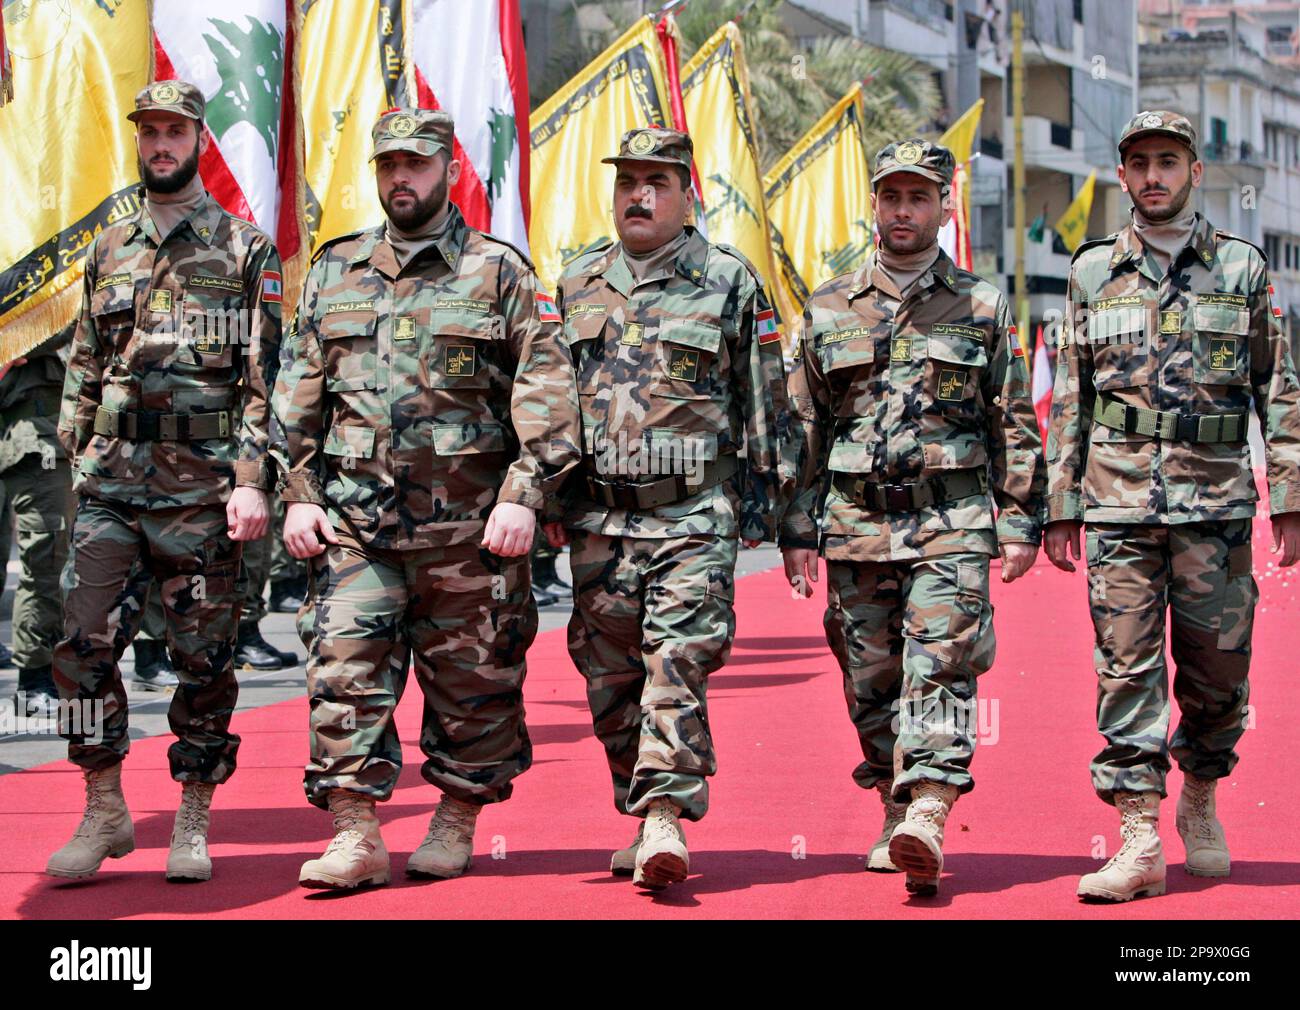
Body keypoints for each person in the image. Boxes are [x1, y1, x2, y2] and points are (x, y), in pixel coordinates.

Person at [273, 108, 581, 890]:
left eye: (414, 164)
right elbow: (296, 400)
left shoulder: (498, 272)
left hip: (468, 533)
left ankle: (454, 818)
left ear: (447, 167)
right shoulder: (334, 272)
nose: (399, 179)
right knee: (342, 673)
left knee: (474, 690)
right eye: (387, 167)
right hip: (356, 529)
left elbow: (548, 397)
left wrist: (523, 494)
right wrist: (299, 495)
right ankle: (355, 831)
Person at [1045, 111, 1300, 902]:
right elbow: (1069, 399)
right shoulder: (1091, 273)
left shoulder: (1243, 270)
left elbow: (1278, 390)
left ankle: (1201, 793)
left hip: (1216, 503)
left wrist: (1289, 496)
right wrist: (1059, 505)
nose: (1153, 175)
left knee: (1219, 673)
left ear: (1193, 170)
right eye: (1139, 163)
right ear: (1122, 175)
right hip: (1118, 504)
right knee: (1125, 667)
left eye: (1168, 161)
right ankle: (1139, 834)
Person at [781, 139, 1045, 897]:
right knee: (870, 680)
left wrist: (1022, 517)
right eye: (891, 196)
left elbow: (1013, 422)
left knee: (941, 662)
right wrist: (797, 530)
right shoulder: (828, 307)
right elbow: (804, 429)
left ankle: (928, 804)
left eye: (919, 197)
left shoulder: (983, 306)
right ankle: (893, 803)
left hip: (951, 521)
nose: (904, 211)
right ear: (875, 204)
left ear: (944, 206)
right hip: (855, 523)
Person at [48, 80, 280, 883]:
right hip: (111, 486)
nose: (159, 145)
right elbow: (84, 364)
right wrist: (75, 447)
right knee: (78, 648)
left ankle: (192, 811)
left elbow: (267, 383)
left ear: (198, 137)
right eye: (148, 131)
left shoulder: (246, 251)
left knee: (203, 659)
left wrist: (252, 481)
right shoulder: (109, 249)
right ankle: (104, 804)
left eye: (174, 130)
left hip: (200, 493)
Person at [553, 127, 789, 890]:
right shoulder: (579, 278)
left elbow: (764, 403)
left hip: (692, 515)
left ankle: (664, 815)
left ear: (687, 194)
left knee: (676, 661)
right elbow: (553, 404)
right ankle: (641, 799)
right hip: (599, 521)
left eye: (656, 182)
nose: (638, 196)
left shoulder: (728, 279)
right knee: (607, 676)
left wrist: (779, 518)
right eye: (627, 181)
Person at [0, 324, 76, 716]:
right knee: (43, 557)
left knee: (52, 555)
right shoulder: (25, 272)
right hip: (30, 430)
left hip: (47, 430)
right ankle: (34, 676)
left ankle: (42, 672)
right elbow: (36, 326)